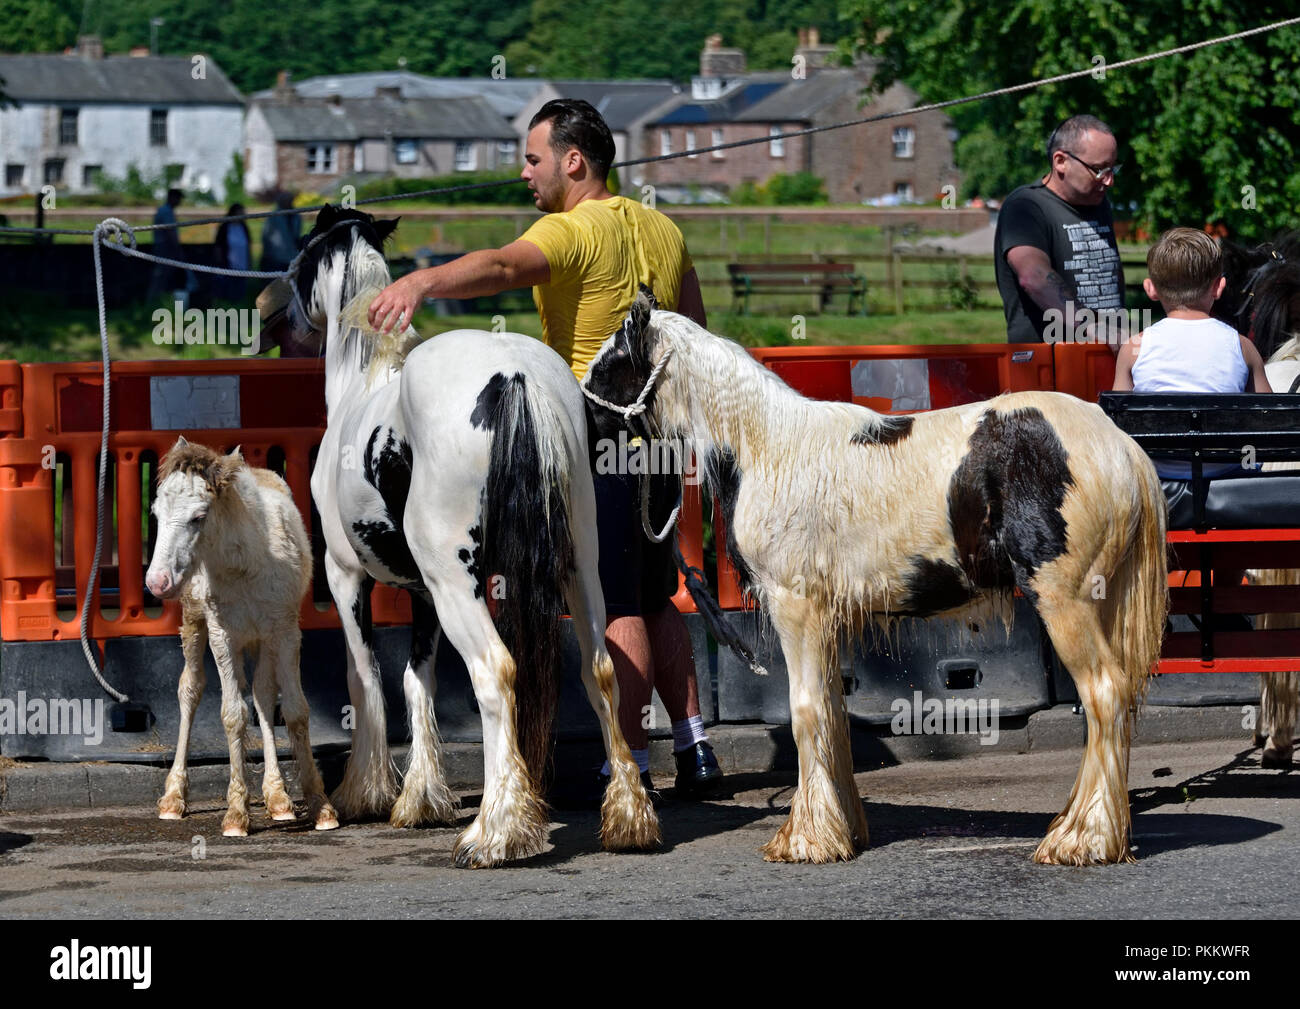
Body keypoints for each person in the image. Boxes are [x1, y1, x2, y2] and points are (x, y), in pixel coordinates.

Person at [367, 98, 722, 800]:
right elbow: (698, 331)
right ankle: (697, 746)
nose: (525, 175)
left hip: (594, 430)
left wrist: (419, 280)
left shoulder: (573, 230)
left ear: (573, 161)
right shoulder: (665, 228)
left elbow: (502, 266)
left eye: (533, 160)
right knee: (657, 593)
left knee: (612, 599)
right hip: (656, 435)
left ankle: (631, 762)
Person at [994, 115, 1125, 348]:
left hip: (1106, 357)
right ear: (1061, 161)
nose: (1109, 181)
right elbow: (1034, 278)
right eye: (1098, 170)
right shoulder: (1025, 206)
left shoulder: (1100, 203)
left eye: (1112, 168)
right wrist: (1093, 328)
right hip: (1049, 369)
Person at [147, 187, 186, 301]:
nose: (180, 201)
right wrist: (178, 249)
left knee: (164, 276)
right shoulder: (166, 211)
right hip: (165, 249)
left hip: (165, 248)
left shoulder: (166, 210)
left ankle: (160, 301)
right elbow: (170, 232)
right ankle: (153, 301)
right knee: (160, 276)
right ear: (172, 198)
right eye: (179, 198)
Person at [213, 203, 252, 303]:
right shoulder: (225, 227)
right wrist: (219, 262)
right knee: (228, 289)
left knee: (240, 290)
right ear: (234, 213)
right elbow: (218, 246)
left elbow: (248, 245)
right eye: (240, 212)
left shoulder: (243, 227)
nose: (243, 214)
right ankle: (227, 307)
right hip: (228, 264)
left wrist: (249, 261)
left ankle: (238, 306)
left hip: (242, 264)